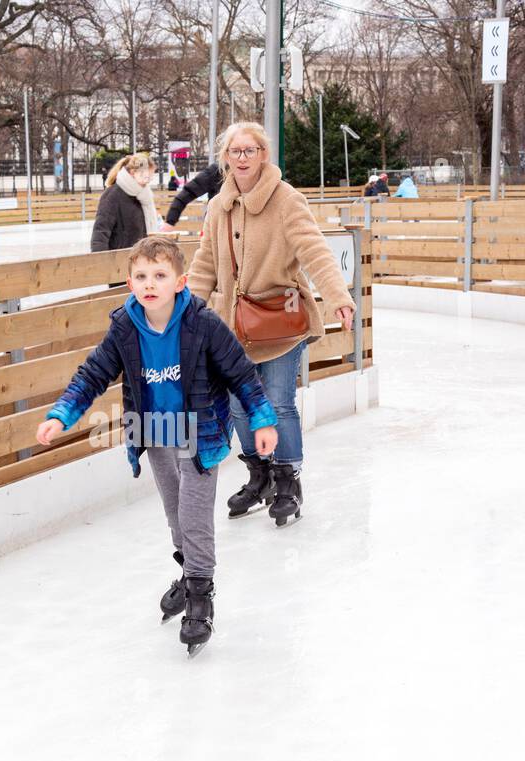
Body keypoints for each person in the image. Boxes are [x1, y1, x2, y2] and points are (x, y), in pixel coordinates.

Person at [35, 235, 279, 657]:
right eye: (142, 276)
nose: (150, 284)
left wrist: (261, 420)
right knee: (173, 510)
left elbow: (241, 374)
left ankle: (201, 594)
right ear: (130, 283)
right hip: (154, 430)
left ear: (180, 282)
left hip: (199, 431)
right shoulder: (125, 327)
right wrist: (62, 414)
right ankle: (189, 573)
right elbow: (93, 374)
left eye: (160, 275)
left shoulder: (202, 324)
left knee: (193, 512)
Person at [187, 121, 356, 527]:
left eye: (250, 150)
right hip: (233, 328)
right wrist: (185, 313)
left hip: (281, 322)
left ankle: (287, 480)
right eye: (234, 151)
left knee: (277, 402)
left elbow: (315, 251)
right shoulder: (218, 207)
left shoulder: (286, 200)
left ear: (264, 155)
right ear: (225, 159)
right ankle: (259, 475)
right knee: (239, 407)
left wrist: (338, 298)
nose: (242, 158)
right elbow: (205, 263)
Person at [90, 152, 160, 252]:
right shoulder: (112, 195)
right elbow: (100, 233)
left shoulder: (144, 196)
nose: (148, 181)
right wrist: (101, 263)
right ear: (133, 172)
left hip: (142, 259)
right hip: (119, 260)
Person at [162, 161, 223, 230]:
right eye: (235, 151)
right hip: (215, 230)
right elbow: (186, 194)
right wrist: (170, 221)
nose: (238, 158)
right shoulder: (217, 171)